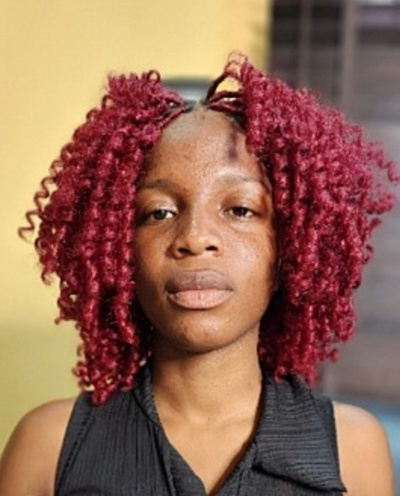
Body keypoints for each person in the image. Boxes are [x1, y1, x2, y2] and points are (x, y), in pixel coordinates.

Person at [0, 53, 397, 496]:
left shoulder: (353, 449)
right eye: (159, 212)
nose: (194, 238)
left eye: (240, 209)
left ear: (293, 246)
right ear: (118, 250)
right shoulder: (47, 448)